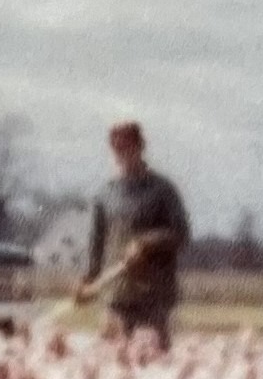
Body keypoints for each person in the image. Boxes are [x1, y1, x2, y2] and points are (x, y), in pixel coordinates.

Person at [81, 120, 191, 351]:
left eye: (128, 146)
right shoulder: (105, 194)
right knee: (112, 362)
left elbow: (181, 234)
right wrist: (88, 280)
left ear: (140, 147)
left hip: (152, 299)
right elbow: (96, 244)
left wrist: (145, 243)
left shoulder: (162, 190)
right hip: (115, 298)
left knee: (152, 363)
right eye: (117, 148)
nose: (122, 153)